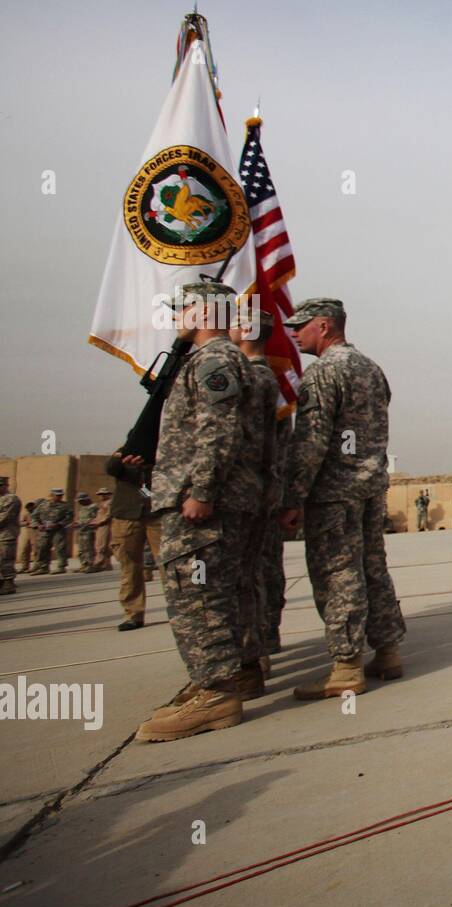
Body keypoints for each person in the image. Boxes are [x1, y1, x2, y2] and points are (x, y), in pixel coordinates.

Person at [135, 282, 266, 742]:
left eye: (184, 307)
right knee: (209, 591)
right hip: (212, 497)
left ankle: (216, 694)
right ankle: (210, 681)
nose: (177, 315)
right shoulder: (214, 360)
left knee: (199, 596)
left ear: (205, 311)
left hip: (205, 502)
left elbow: (217, 431)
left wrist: (202, 491)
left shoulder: (215, 360)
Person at [280, 297, 406, 699]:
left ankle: (346, 666)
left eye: (300, 326)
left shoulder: (322, 373)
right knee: (372, 567)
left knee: (338, 574)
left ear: (324, 326)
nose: (294, 334)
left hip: (335, 491)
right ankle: (388, 652)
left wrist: (293, 496)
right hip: (370, 486)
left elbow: (312, 442)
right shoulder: (370, 369)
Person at [230, 312, 283, 679]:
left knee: (247, 576)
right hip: (265, 494)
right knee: (263, 568)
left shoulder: (254, 380)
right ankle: (263, 642)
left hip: (246, 497)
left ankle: (252, 655)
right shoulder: (271, 380)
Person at [106, 452, 162, 630]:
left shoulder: (166, 448)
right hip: (126, 514)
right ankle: (133, 614)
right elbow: (111, 468)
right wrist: (119, 456)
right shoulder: (125, 454)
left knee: (169, 563)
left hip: (158, 513)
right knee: (129, 566)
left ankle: (182, 609)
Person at [30, 488, 72, 575]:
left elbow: (69, 517)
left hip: (58, 530)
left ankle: (61, 566)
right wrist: (38, 525)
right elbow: (34, 516)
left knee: (60, 548)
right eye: (57, 495)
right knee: (43, 548)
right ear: (52, 495)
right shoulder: (43, 505)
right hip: (45, 530)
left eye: (61, 495)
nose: (60, 497)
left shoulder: (65, 506)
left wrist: (59, 524)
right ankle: (43, 567)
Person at [0, 475, 19, 595]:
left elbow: (5, 517)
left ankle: (9, 584)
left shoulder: (11, 499)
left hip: (7, 535)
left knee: (6, 559)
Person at [74, 493, 98, 572]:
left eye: (81, 501)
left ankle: (90, 565)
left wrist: (85, 523)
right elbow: (81, 518)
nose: (80, 503)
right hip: (81, 530)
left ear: (86, 499)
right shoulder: (82, 508)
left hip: (89, 531)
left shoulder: (94, 507)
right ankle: (84, 564)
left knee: (88, 549)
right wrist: (77, 523)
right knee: (81, 549)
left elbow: (95, 519)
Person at [92, 488, 114, 571]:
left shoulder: (109, 503)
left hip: (105, 525)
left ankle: (99, 563)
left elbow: (109, 515)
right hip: (100, 525)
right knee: (100, 544)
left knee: (102, 544)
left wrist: (100, 522)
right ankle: (106, 564)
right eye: (100, 494)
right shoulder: (101, 503)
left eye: (103, 494)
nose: (101, 496)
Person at [15, 500, 38, 573]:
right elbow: (20, 523)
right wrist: (27, 523)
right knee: (24, 549)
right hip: (27, 531)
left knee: (36, 550)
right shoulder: (26, 514)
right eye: (28, 508)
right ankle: (25, 566)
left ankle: (36, 566)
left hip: (36, 532)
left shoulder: (38, 513)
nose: (29, 509)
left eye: (31, 508)